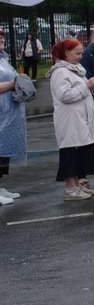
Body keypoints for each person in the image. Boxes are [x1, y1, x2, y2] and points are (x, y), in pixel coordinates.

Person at [49, 39, 94, 200]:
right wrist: (86, 86)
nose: (80, 56)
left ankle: (77, 185)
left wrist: (91, 86)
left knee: (79, 152)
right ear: (66, 53)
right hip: (70, 120)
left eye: (81, 53)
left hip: (80, 118)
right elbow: (65, 96)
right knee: (70, 153)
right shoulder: (60, 72)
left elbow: (79, 91)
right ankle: (70, 188)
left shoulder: (76, 70)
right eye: (77, 53)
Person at [0, 30, 27, 203]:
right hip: (2, 112)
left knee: (4, 150)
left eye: (2, 36)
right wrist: (13, 83)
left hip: (9, 113)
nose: (2, 39)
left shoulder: (3, 58)